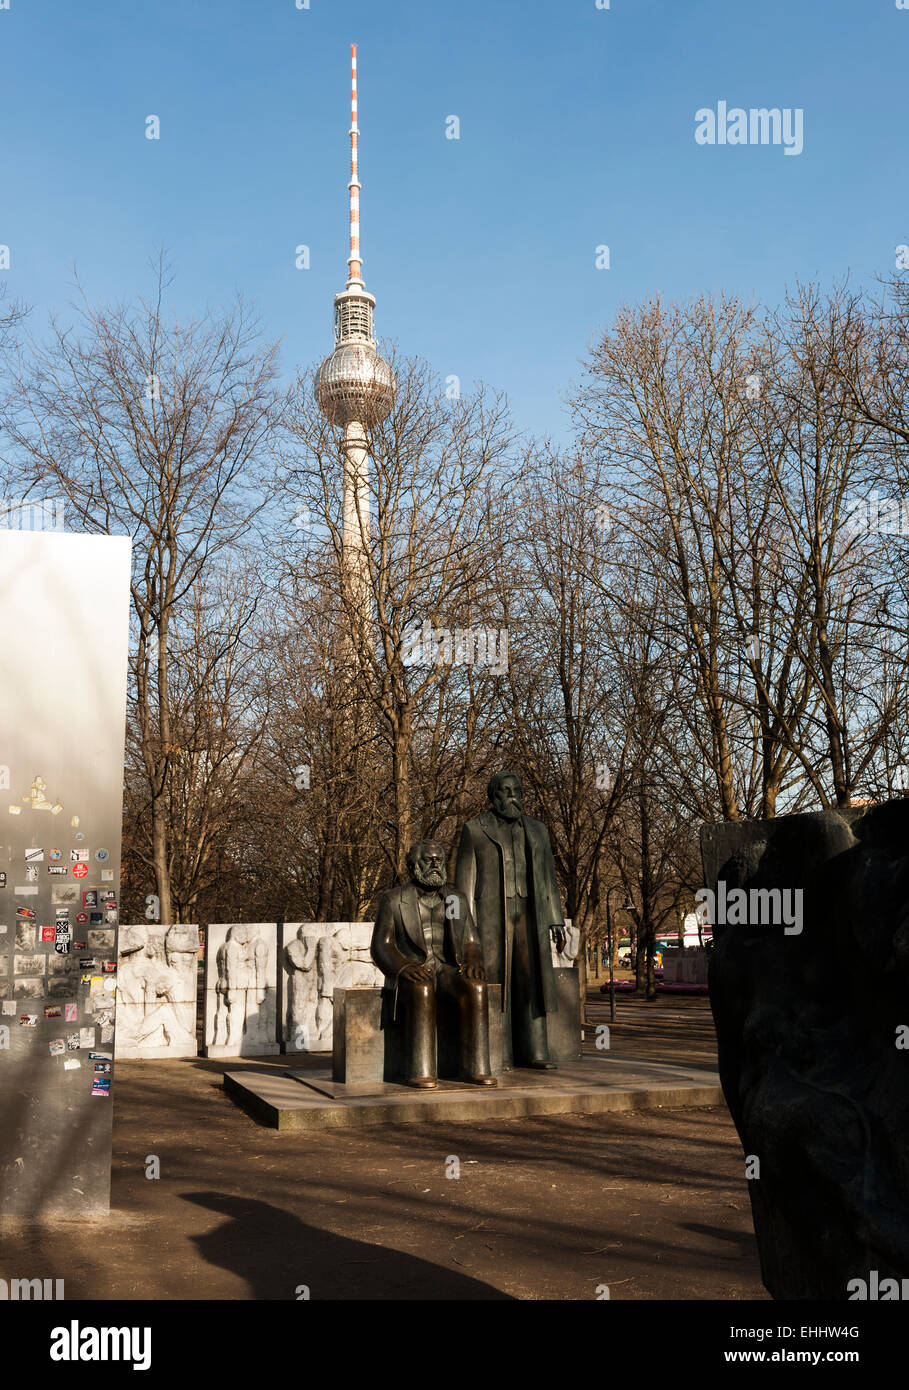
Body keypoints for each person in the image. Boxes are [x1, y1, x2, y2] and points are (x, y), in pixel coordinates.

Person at [455, 771, 566, 1070]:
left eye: (517, 789)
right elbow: (463, 885)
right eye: (505, 790)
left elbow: (548, 879)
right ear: (493, 796)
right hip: (492, 914)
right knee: (496, 980)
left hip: (531, 914)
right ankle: (499, 1052)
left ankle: (535, 1051)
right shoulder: (475, 830)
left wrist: (556, 919)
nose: (512, 795)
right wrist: (466, 931)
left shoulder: (538, 830)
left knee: (533, 981)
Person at [371, 840, 496, 1089]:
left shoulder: (452, 901)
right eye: (429, 860)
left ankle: (476, 1069)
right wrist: (404, 968)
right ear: (412, 866)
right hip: (414, 968)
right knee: (422, 988)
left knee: (476, 987)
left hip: (448, 968)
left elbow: (470, 939)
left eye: (439, 859)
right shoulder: (395, 899)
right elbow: (381, 946)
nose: (436, 865)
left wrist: (473, 959)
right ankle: (421, 1071)